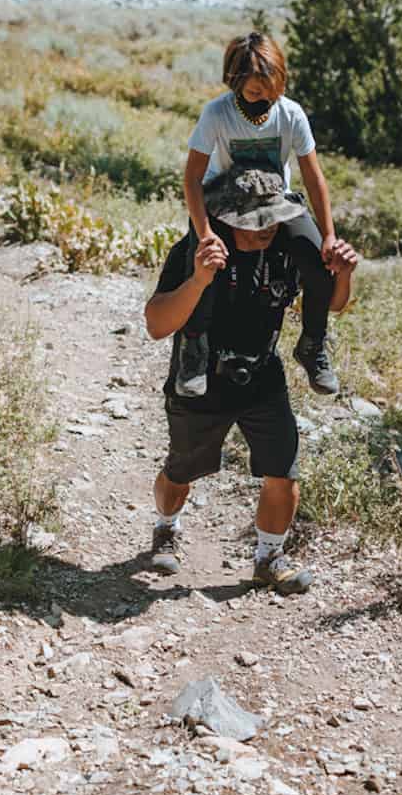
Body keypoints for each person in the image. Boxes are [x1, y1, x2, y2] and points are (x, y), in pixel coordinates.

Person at [145, 167, 359, 596]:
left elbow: (333, 305)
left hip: (263, 373)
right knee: (182, 470)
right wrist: (199, 280)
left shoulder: (289, 251)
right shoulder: (196, 251)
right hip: (203, 376)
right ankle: (167, 526)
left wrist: (345, 274)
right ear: (227, 217)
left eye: (271, 220)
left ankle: (269, 558)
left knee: (283, 470)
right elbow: (156, 324)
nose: (264, 230)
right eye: (253, 222)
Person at [176, 31, 341, 400]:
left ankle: (312, 344)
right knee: (202, 263)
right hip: (226, 201)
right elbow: (192, 179)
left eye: (271, 91)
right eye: (254, 92)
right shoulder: (217, 114)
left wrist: (329, 234)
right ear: (235, 81)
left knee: (319, 262)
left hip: (274, 202)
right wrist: (205, 233)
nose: (264, 98)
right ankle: (195, 349)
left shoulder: (290, 114)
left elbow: (313, 177)